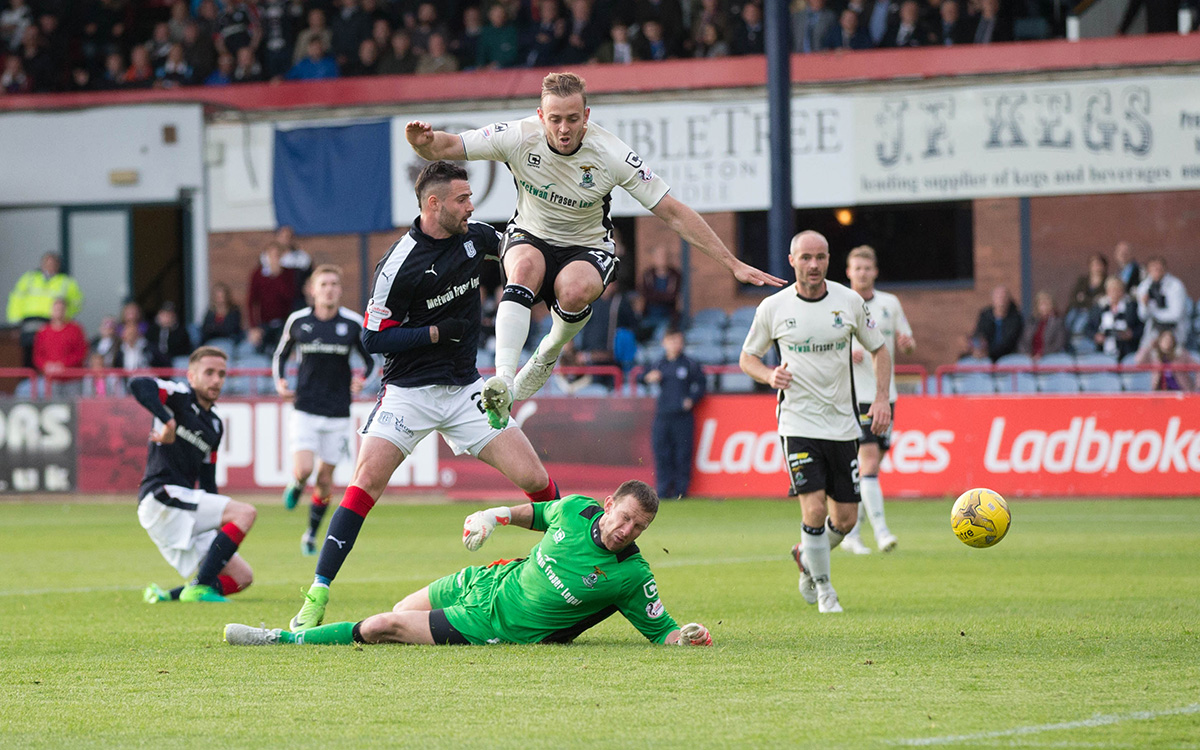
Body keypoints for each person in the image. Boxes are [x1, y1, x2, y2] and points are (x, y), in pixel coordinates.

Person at [404, 72, 784, 431]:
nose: (564, 128)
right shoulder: (518, 136)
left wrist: (731, 263)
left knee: (572, 291)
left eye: (572, 118)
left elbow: (672, 211)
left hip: (587, 246)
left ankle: (550, 349)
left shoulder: (611, 154)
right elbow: (450, 145)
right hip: (531, 233)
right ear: (541, 116)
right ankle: (504, 382)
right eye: (555, 119)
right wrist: (422, 142)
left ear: (586, 116)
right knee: (520, 270)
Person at [288, 161, 561, 633]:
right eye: (462, 199)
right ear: (433, 204)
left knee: (535, 477)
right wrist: (436, 332)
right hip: (408, 395)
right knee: (364, 483)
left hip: (466, 391)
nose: (471, 206)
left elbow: (522, 255)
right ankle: (317, 592)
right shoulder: (399, 263)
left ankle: (569, 563)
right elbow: (374, 338)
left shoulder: (478, 237)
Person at [224, 480, 714, 648]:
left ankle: (281, 639)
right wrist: (492, 515)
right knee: (400, 612)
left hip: (492, 623)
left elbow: (663, 632)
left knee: (381, 625)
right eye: (625, 518)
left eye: (638, 528)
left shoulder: (632, 576)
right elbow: (536, 513)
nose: (627, 531)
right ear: (608, 505)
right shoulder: (576, 507)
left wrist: (686, 637)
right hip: (487, 580)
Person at [738, 231, 891, 614]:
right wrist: (769, 376)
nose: (813, 265)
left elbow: (880, 349)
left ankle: (806, 555)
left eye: (820, 257)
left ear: (828, 260)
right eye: (806, 257)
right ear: (792, 261)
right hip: (797, 422)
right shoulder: (773, 307)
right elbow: (748, 358)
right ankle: (825, 588)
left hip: (842, 424)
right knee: (814, 511)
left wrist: (883, 397)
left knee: (846, 517)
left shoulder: (849, 301)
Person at [135, 347, 258, 604]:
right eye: (209, 373)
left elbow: (208, 480)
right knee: (246, 512)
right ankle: (199, 588)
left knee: (241, 577)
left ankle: (165, 596)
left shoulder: (214, 424)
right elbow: (138, 384)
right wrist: (167, 421)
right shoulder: (178, 397)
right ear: (191, 376)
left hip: (186, 501)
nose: (216, 380)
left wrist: (218, 531)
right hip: (161, 496)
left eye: (222, 375)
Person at [274, 264, 374, 556]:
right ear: (313, 290)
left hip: (338, 412)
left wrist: (362, 380)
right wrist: (280, 382)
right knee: (305, 469)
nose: (329, 289)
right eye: (324, 284)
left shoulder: (353, 324)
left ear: (340, 290)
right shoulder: (298, 321)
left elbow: (369, 361)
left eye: (334, 284)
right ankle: (296, 483)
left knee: (325, 480)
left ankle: (310, 535)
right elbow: (281, 354)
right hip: (305, 408)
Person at [840, 246, 912, 556]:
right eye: (857, 268)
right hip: (854, 395)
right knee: (868, 462)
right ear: (848, 272)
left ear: (875, 272)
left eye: (867, 268)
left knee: (871, 466)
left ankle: (851, 532)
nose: (862, 273)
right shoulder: (839, 304)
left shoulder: (889, 304)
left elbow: (906, 343)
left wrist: (906, 344)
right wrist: (847, 352)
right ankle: (882, 532)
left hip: (886, 395)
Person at [641, 329, 706, 500]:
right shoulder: (658, 363)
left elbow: (701, 384)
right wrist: (648, 377)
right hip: (663, 415)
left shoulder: (689, 364)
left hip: (682, 416)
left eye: (677, 341)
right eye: (671, 341)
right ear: (664, 343)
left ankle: (680, 492)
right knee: (662, 454)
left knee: (682, 454)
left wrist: (692, 399)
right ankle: (662, 492)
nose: (674, 345)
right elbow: (641, 376)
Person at [6, 251, 83, 368]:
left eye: (53, 263)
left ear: (58, 265)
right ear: (42, 264)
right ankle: (30, 384)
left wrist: (63, 318)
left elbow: (76, 302)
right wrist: (15, 322)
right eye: (47, 262)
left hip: (51, 323)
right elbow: (16, 298)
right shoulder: (30, 278)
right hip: (29, 323)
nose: (50, 266)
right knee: (29, 356)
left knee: (51, 354)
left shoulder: (65, 281)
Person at [247, 241, 297, 353]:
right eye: (271, 255)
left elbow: (289, 297)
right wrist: (253, 327)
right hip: (264, 324)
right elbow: (251, 302)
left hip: (283, 323)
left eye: (277, 255)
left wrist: (277, 276)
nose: (274, 259)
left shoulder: (288, 273)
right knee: (259, 350)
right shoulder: (258, 274)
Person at [32, 297, 88, 393]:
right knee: (52, 406)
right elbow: (37, 355)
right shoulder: (43, 331)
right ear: (51, 311)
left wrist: (62, 365)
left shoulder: (75, 329)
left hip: (72, 380)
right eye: (56, 309)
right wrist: (46, 366)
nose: (59, 312)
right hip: (51, 379)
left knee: (73, 406)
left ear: (66, 311)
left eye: (61, 309)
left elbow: (81, 352)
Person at [1135, 257, 1189, 349]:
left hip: (1174, 330)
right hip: (1153, 330)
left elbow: (1176, 314)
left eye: (1159, 268)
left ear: (1165, 268)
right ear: (1148, 270)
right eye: (1153, 268)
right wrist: (1144, 305)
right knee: (1142, 357)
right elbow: (1142, 316)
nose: (1156, 270)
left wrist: (1154, 313)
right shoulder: (1144, 286)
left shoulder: (1175, 285)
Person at [1087, 276, 1142, 361]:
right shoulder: (1099, 307)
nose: (1115, 293)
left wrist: (1131, 334)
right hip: (1103, 351)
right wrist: (1096, 336)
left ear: (1123, 291)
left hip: (1126, 351)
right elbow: (1088, 328)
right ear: (1107, 291)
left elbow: (1141, 327)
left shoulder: (1132, 307)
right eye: (1112, 290)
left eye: (1118, 290)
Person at [637, 244, 682, 336]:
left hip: (668, 318)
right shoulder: (647, 274)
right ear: (653, 258)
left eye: (664, 256)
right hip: (648, 316)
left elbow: (673, 297)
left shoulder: (675, 275)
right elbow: (645, 294)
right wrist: (665, 296)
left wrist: (654, 295)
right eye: (659, 256)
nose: (662, 259)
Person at [969, 285, 1023, 362]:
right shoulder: (985, 315)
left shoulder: (1015, 318)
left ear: (1008, 299)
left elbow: (1008, 342)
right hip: (984, 356)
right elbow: (979, 333)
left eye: (1004, 297)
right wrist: (976, 348)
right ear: (992, 299)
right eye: (998, 296)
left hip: (1008, 356)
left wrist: (989, 353)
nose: (1001, 299)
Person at [1065, 253, 1108, 334]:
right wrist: (1092, 300)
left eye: (1098, 264)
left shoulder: (1107, 282)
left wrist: (1083, 299)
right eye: (1093, 264)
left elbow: (1100, 302)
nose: (1096, 267)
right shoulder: (1082, 281)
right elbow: (1073, 298)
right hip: (1077, 309)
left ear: (1104, 266)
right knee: (1067, 323)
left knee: (1078, 329)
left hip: (1091, 312)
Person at [1018, 290, 1068, 359]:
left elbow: (1058, 344)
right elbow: (1022, 342)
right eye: (1041, 304)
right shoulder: (1031, 322)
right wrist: (1027, 355)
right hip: (1029, 359)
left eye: (1047, 304)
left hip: (1049, 358)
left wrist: (1041, 355)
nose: (1044, 307)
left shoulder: (1058, 322)